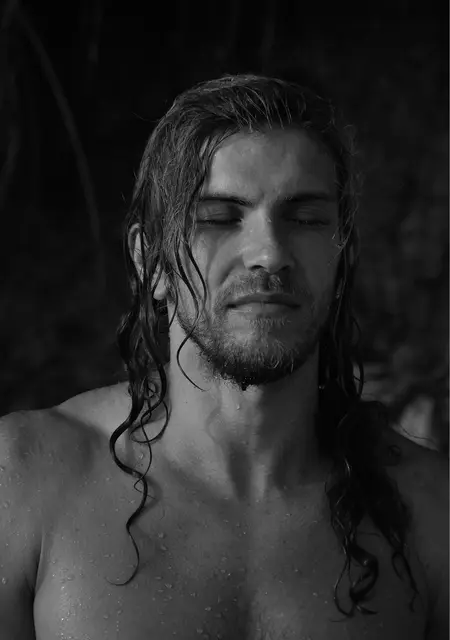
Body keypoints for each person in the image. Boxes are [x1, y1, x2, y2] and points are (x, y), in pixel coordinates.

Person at [0, 74, 448, 639]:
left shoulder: (432, 514)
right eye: (218, 217)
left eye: (305, 218)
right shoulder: (22, 481)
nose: (269, 252)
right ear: (150, 262)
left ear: (342, 259)